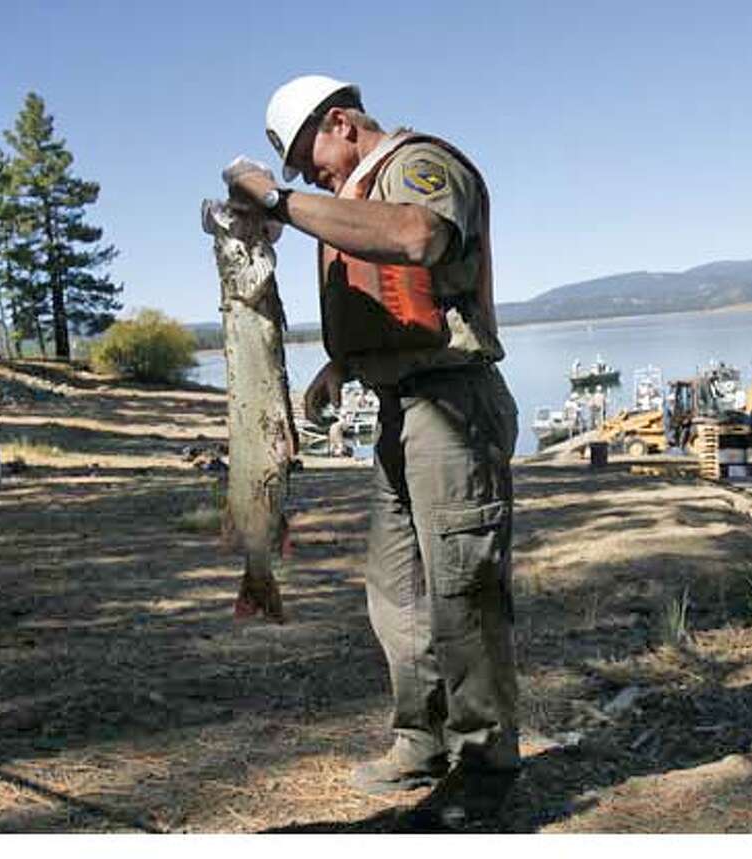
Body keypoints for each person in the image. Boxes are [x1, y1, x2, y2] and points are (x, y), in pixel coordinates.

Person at [224, 74, 519, 826]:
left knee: (462, 587)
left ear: (343, 122)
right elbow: (390, 299)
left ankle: (484, 761)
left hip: (454, 407)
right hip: (398, 407)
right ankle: (420, 737)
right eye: (295, 173)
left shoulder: (418, 165)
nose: (311, 176)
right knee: (397, 594)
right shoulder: (358, 189)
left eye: (308, 159)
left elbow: (417, 237)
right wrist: (345, 364)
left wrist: (281, 203)